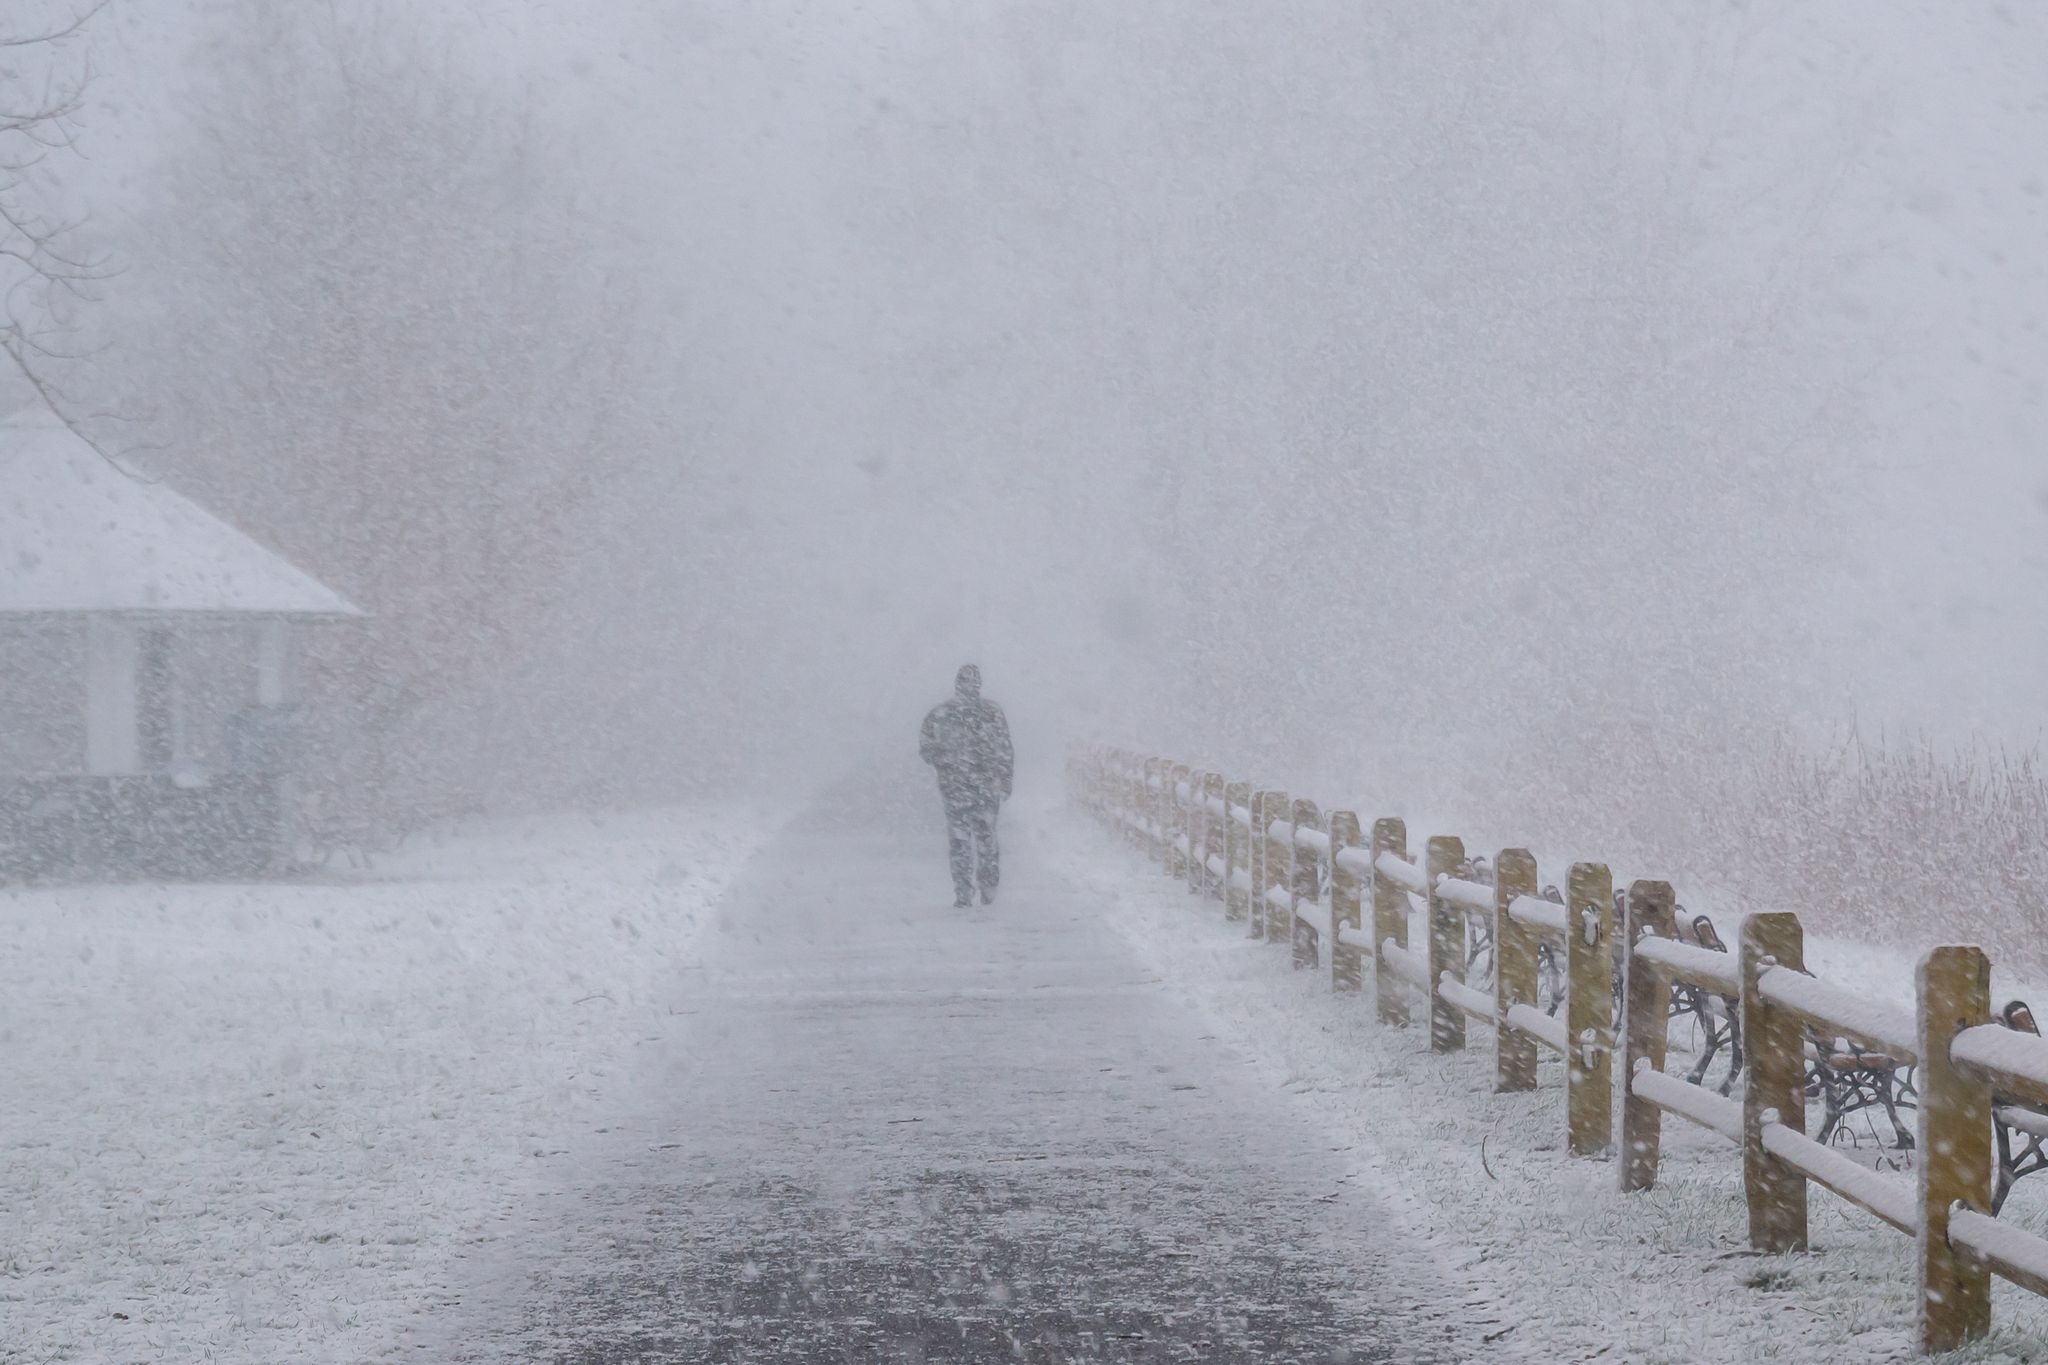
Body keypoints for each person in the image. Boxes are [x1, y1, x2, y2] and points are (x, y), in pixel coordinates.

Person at [918, 664, 1013, 907]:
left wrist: (944, 762)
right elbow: (1004, 748)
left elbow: (926, 747)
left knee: (961, 839)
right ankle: (987, 887)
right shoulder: (992, 712)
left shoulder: (941, 713)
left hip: (956, 786)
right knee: (986, 837)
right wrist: (1004, 777)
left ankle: (964, 891)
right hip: (983, 786)